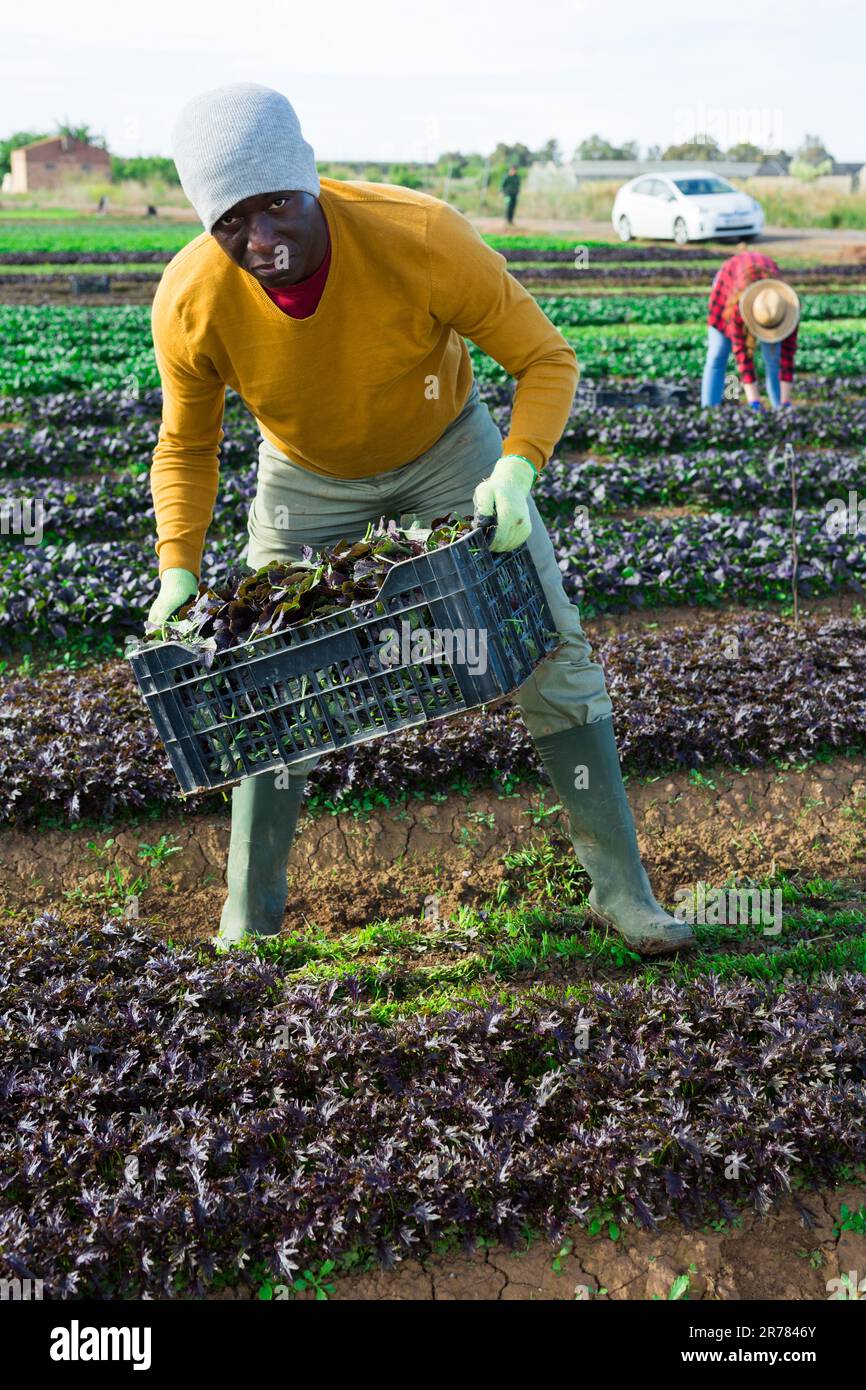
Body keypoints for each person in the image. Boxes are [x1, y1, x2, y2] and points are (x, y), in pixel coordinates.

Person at [147, 82, 694, 957]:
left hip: (450, 452)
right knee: (264, 678)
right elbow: (186, 447)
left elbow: (544, 358)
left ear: (310, 179)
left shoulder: (421, 236)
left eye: (278, 206)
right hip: (304, 480)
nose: (262, 241)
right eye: (230, 222)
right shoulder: (191, 299)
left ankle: (623, 892)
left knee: (548, 648)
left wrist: (516, 472)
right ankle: (248, 922)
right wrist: (179, 566)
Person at [701, 248, 800, 410]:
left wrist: (786, 401)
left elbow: (787, 357)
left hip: (760, 280)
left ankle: (778, 408)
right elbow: (742, 355)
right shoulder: (737, 309)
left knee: (773, 358)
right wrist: (754, 401)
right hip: (730, 281)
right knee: (718, 353)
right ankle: (709, 410)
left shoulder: (785, 308)